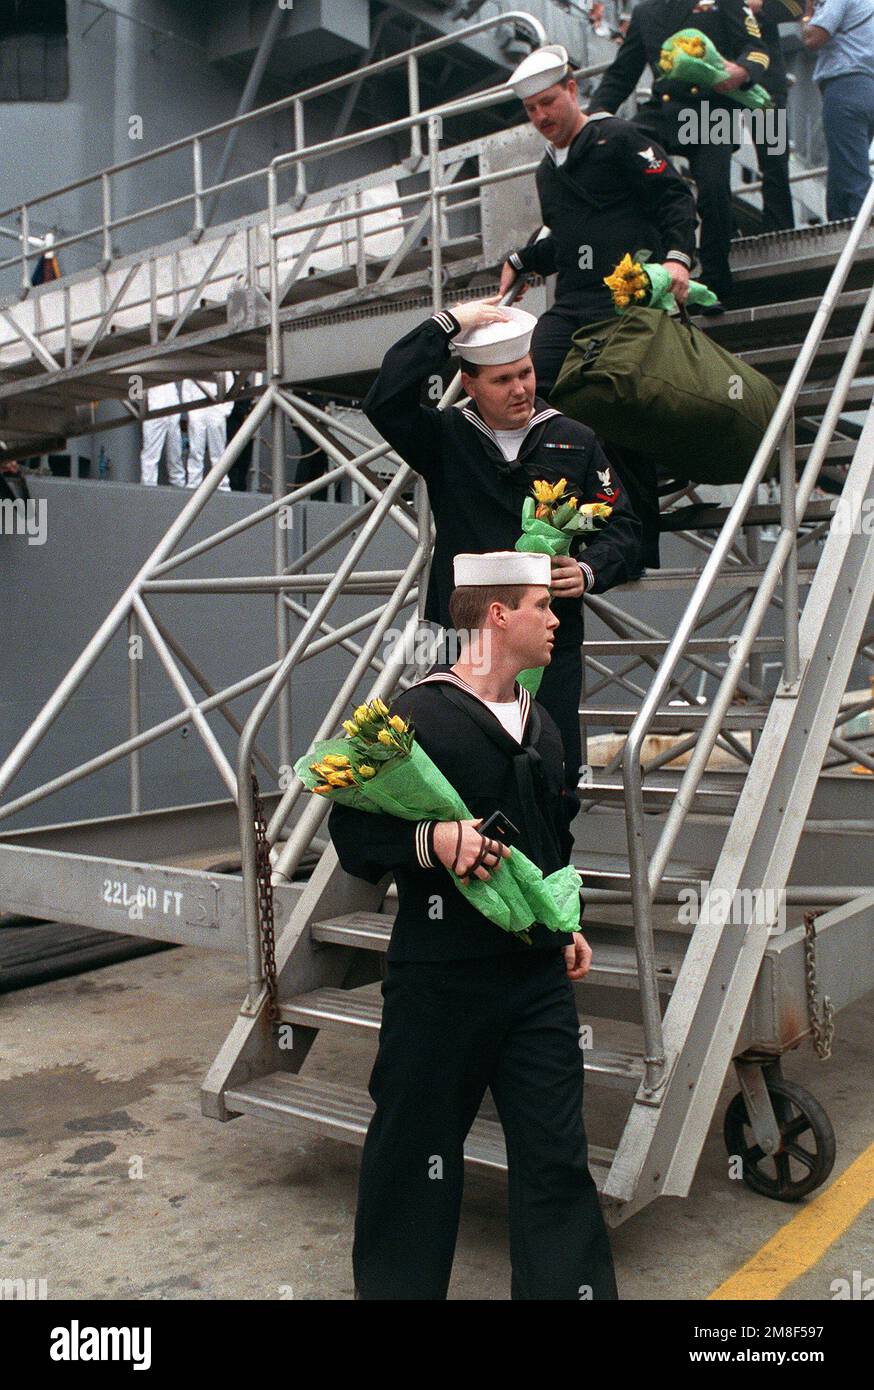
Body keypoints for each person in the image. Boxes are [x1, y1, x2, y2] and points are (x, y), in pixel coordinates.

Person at [328, 549, 618, 1301]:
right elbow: (352, 838)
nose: (555, 620)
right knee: (414, 1155)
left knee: (555, 1158)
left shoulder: (545, 725)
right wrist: (432, 843)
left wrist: (566, 922)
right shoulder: (410, 717)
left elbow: (554, 840)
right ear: (497, 614)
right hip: (439, 982)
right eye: (539, 605)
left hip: (535, 983)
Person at [361, 298, 643, 823]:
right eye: (502, 380)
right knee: (458, 756)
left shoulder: (575, 441)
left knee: (551, 769)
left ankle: (551, 884)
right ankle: (472, 877)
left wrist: (588, 570)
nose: (521, 389)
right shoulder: (444, 437)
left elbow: (624, 528)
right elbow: (386, 398)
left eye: (526, 373)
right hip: (463, 637)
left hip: (546, 639)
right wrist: (449, 324)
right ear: (469, 385)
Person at [499, 43, 698, 395]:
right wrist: (521, 260)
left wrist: (678, 259)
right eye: (531, 109)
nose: (541, 116)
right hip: (573, 301)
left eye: (548, 102)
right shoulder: (547, 171)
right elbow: (566, 242)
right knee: (533, 386)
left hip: (627, 293)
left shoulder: (619, 137)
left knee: (617, 393)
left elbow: (674, 197)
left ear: (572, 90)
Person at [586, 2, 773, 306]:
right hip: (666, 109)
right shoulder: (646, 13)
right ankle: (651, 266)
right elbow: (622, 74)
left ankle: (715, 280)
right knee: (627, 155)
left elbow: (756, 49)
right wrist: (594, 117)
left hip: (711, 110)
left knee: (713, 192)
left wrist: (741, 71)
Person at [801, 0, 874, 220]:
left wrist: (808, 13)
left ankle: (863, 230)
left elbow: (813, 37)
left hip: (845, 85)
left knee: (852, 174)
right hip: (867, 86)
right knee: (844, 164)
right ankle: (838, 224)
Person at [748, 0, 798, 231]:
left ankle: (779, 230)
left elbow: (796, 6)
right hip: (719, 85)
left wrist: (761, 5)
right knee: (713, 166)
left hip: (765, 85)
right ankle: (725, 229)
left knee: (774, 162)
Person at [181, 375, 234, 490]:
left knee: (218, 450)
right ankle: (193, 482)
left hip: (217, 409)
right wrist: (191, 410)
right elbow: (187, 384)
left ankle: (222, 483)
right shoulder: (193, 363)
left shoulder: (224, 363)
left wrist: (225, 410)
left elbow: (230, 386)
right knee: (195, 449)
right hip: (197, 408)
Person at [139, 381, 184, 487]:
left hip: (172, 409)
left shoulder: (167, 365)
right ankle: (148, 488)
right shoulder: (139, 367)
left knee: (175, 453)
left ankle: (179, 486)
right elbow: (135, 393)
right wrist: (147, 408)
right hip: (154, 412)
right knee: (150, 455)